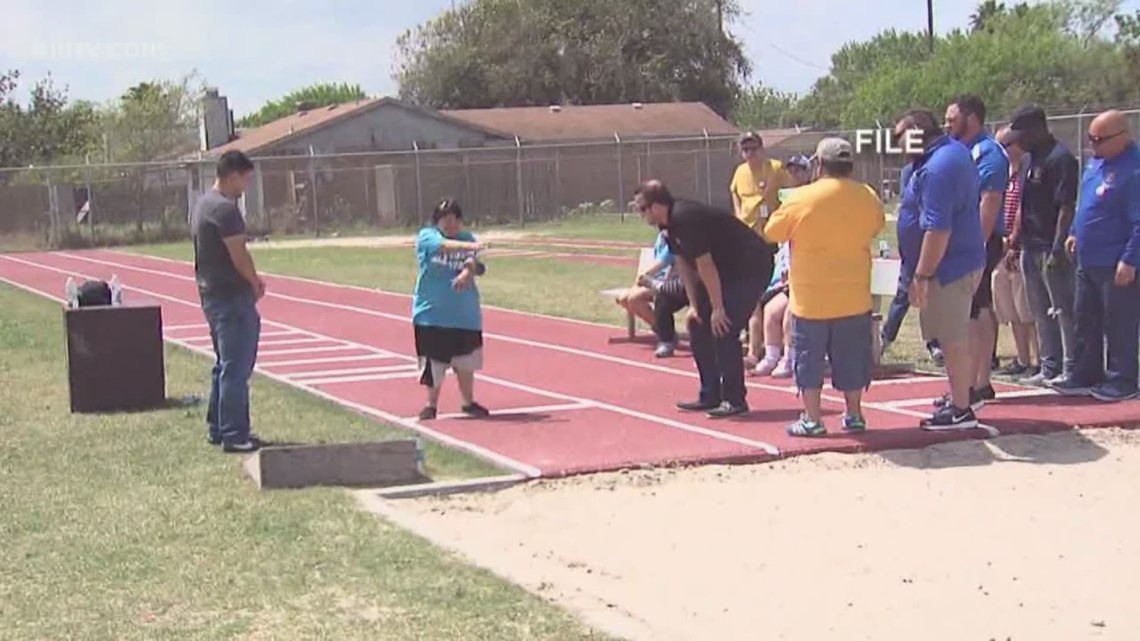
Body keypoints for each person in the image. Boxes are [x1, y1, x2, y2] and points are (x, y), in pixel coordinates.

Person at [764, 137, 886, 437]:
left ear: (818, 164)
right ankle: (854, 414)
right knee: (852, 357)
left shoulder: (800, 198)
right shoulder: (867, 195)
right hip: (854, 295)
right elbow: (876, 225)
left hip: (811, 298)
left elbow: (772, 231)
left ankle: (813, 418)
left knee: (809, 359)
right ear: (850, 166)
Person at [635, 180, 774, 418]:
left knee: (723, 328)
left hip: (750, 266)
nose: (641, 214)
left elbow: (705, 265)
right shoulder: (667, 225)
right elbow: (683, 264)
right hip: (725, 271)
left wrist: (718, 308)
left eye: (642, 209)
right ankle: (710, 394)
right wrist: (695, 306)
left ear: (657, 205)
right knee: (698, 325)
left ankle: (735, 400)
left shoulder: (685, 218)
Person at [894, 109, 987, 430]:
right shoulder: (949, 154)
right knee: (949, 338)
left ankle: (961, 409)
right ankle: (959, 396)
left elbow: (938, 230)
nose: (897, 144)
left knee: (953, 338)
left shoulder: (937, 167)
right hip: (956, 262)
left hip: (949, 266)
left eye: (900, 136)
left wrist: (921, 275)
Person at [1058, 110, 1140, 402]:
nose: (1093, 145)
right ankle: (1085, 373)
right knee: (1085, 318)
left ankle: (1123, 380)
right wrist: (1073, 232)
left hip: (1116, 261)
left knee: (1119, 322)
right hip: (1087, 259)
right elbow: (1086, 203)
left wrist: (1130, 259)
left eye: (1100, 140)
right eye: (1090, 139)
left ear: (1122, 136)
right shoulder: (1094, 164)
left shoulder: (1133, 169)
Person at [191, 150, 267, 453]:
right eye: (245, 180)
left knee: (223, 365)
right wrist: (254, 281)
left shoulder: (202, 205)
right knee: (236, 368)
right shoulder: (225, 210)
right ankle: (235, 434)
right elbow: (239, 254)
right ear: (232, 175)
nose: (246, 187)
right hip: (230, 296)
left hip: (211, 293)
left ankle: (218, 427)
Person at [1006, 105, 1080, 387]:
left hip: (1051, 246)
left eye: (1021, 134)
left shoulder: (1060, 159)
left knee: (1062, 308)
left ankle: (1070, 368)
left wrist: (1058, 247)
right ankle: (1049, 367)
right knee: (1039, 309)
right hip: (1029, 244)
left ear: (1038, 128)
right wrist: (1015, 238)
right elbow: (1024, 204)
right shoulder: (1027, 160)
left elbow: (1066, 207)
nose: (1018, 141)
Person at [942, 94, 1009, 409]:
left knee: (972, 313)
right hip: (960, 244)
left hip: (978, 244)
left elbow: (990, 203)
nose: (947, 125)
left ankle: (974, 383)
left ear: (972, 118)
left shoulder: (989, 154)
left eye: (952, 119)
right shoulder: (960, 151)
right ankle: (974, 382)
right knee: (974, 309)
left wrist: (974, 249)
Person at [412, 199, 491, 421]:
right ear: (437, 221)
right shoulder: (428, 237)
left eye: (455, 218)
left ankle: (468, 402)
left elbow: (475, 265)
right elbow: (445, 247)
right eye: (446, 219)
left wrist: (467, 272)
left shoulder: (467, 239)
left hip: (465, 315)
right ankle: (431, 405)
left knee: (466, 362)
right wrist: (472, 248)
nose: (451, 223)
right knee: (434, 363)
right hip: (432, 315)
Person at [732, 132, 793, 366]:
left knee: (767, 291)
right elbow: (734, 193)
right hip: (746, 238)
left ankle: (771, 348)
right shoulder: (740, 172)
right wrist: (738, 214)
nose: (750, 154)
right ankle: (753, 346)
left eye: (754, 149)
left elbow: (790, 196)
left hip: (770, 240)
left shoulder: (776, 168)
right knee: (750, 294)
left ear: (762, 148)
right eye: (746, 150)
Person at [993, 125, 1039, 376]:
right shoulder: (1003, 174)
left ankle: (1037, 361)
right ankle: (1021, 359)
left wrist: (1014, 242)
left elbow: (1025, 210)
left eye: (1006, 145)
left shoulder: (1027, 172)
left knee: (1027, 309)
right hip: (1001, 247)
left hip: (1019, 248)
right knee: (1010, 309)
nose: (1002, 151)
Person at [615, 230, 681, 357]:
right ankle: (665, 330)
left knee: (634, 299)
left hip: (666, 283)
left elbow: (661, 265)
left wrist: (643, 279)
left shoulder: (673, 240)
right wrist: (638, 283)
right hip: (652, 281)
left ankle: (667, 334)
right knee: (624, 298)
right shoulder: (660, 238)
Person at [751, 242, 793, 378]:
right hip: (785, 286)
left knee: (790, 313)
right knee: (771, 310)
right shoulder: (785, 243)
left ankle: (789, 357)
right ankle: (771, 357)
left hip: (807, 285)